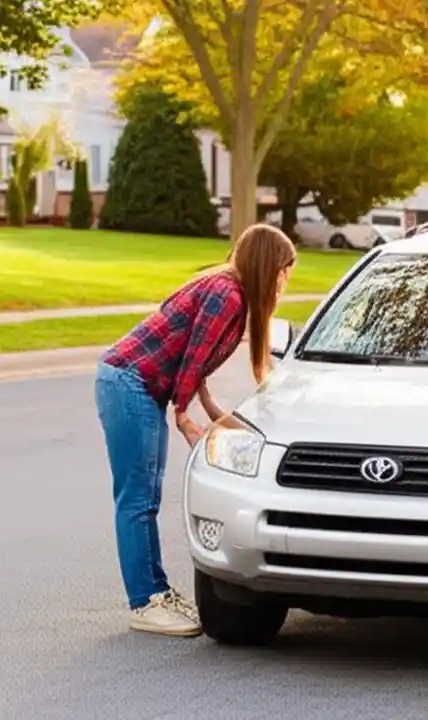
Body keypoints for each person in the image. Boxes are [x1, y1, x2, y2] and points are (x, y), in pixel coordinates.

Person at [95, 224, 296, 636]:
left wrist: (214, 411)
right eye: (284, 270)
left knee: (146, 497)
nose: (285, 280)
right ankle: (146, 601)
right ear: (268, 266)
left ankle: (157, 594)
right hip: (128, 382)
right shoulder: (228, 295)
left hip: (137, 385)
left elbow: (196, 367)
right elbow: (192, 360)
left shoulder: (231, 294)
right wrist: (184, 417)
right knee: (137, 498)